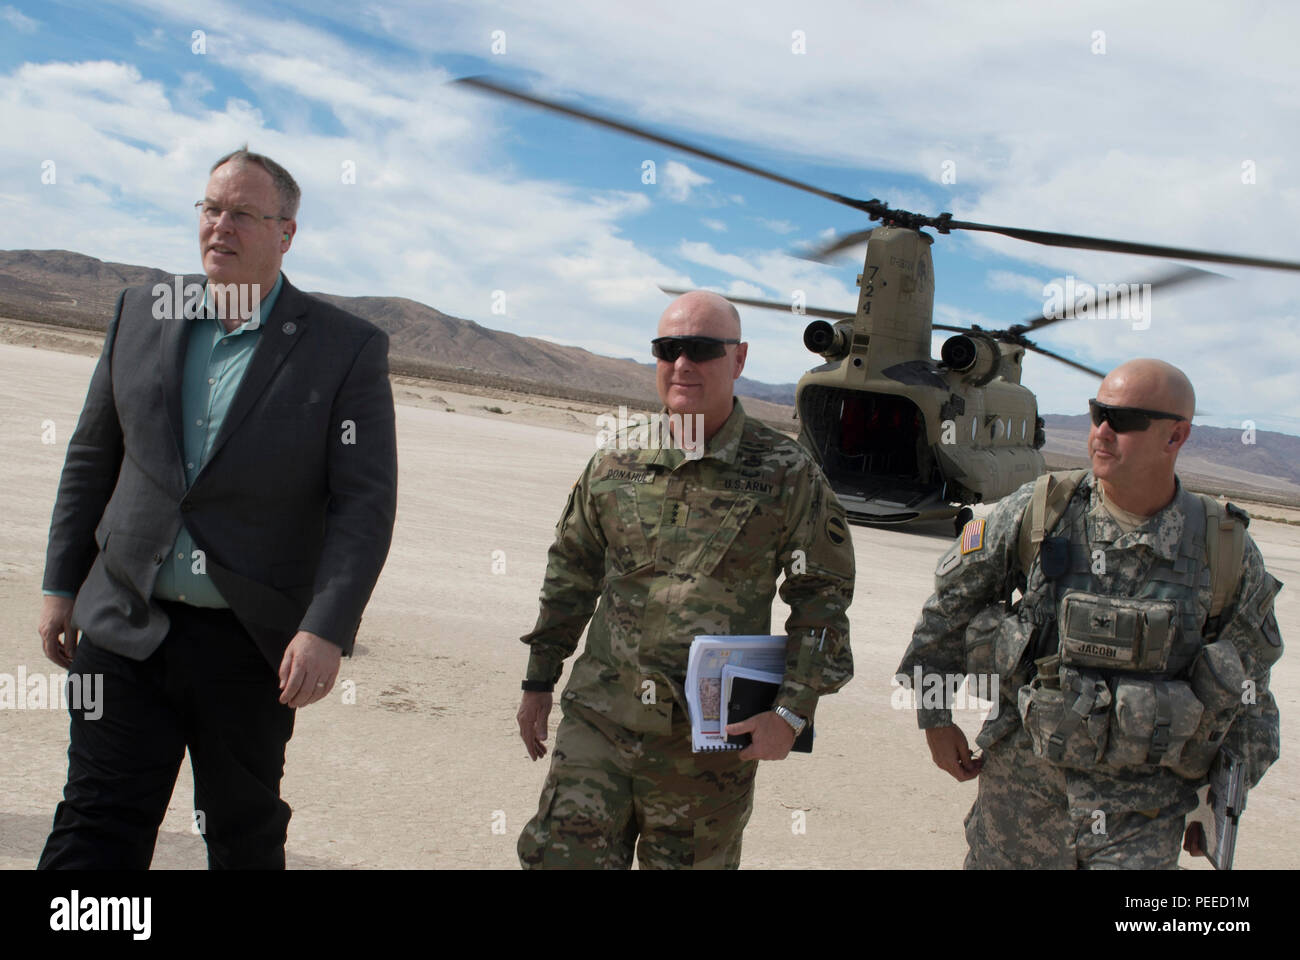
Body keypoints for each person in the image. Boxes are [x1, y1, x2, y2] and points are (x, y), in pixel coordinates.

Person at [36, 147, 398, 869]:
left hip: (249, 643)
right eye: (210, 208)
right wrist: (59, 586)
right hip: (125, 621)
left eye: (242, 214)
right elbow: (92, 456)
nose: (219, 226)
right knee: (97, 822)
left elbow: (364, 504)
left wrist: (326, 629)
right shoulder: (141, 311)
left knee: (241, 835)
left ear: (286, 232)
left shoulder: (345, 348)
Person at [898, 357, 1283, 869]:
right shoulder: (1039, 512)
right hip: (1020, 807)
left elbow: (1250, 689)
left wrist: (1218, 804)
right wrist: (935, 718)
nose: (1101, 431)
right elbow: (947, 611)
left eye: (1123, 420)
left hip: (1141, 821)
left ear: (1176, 436)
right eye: (1097, 413)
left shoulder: (1224, 548)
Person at [515, 291, 855, 869]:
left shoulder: (787, 473)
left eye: (701, 349)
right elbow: (570, 572)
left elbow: (821, 600)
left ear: (739, 359)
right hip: (600, 720)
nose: (682, 364)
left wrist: (792, 713)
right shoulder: (615, 461)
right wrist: (538, 680)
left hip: (706, 748)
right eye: (668, 349)